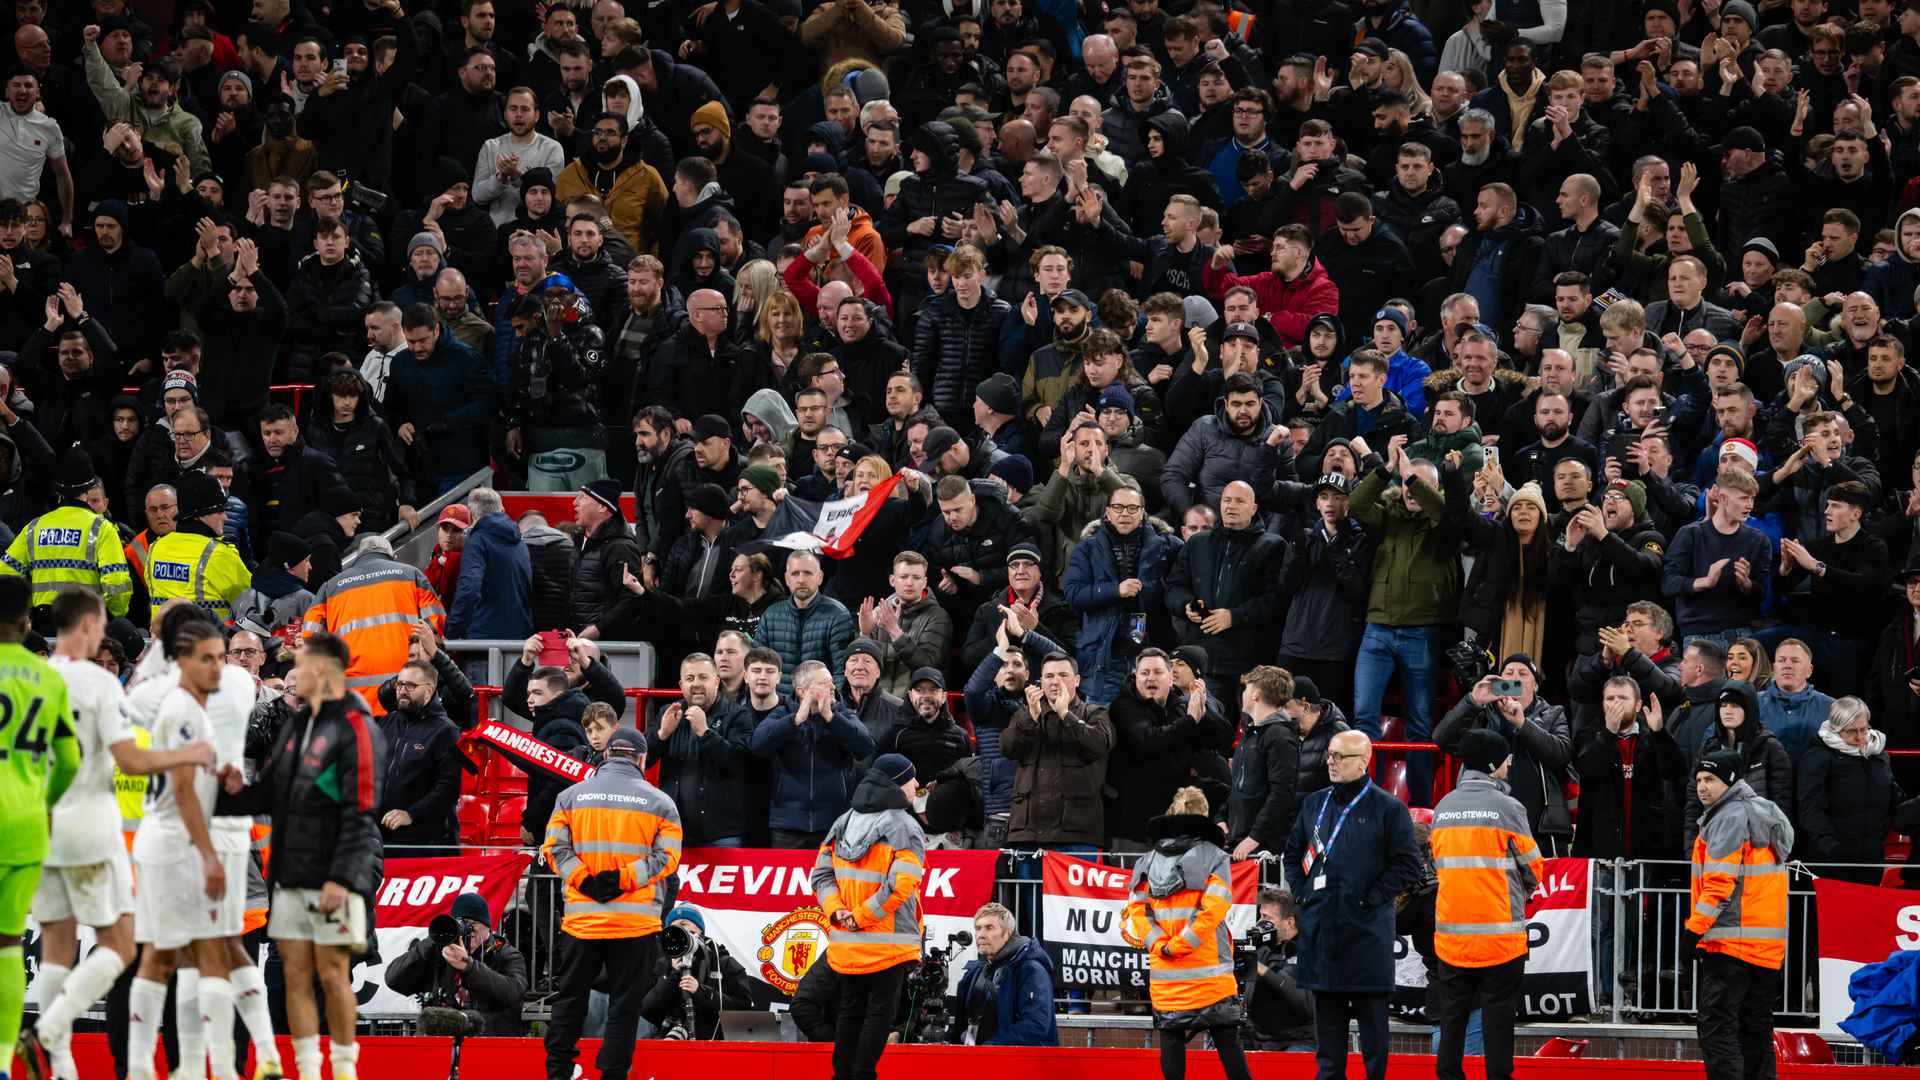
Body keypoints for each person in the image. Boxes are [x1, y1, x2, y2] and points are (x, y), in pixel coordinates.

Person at [27, 588, 211, 1080]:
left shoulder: (36, 678)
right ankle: (54, 1024)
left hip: (41, 825)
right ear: (89, 626)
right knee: (122, 946)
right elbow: (130, 758)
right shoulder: (99, 684)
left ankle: (59, 1064)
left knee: (56, 948)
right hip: (92, 825)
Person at [539, 726, 683, 1080]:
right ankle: (613, 1074)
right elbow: (668, 859)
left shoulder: (570, 797)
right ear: (642, 759)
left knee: (569, 1000)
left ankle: (557, 1071)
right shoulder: (660, 802)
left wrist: (585, 879)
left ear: (606, 756)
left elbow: (554, 849)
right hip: (634, 926)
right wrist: (621, 880)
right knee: (624, 1006)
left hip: (582, 922)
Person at [1283, 730, 1421, 1080]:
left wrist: (1369, 899)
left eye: (1340, 756)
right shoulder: (1314, 803)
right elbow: (1292, 853)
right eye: (1330, 754)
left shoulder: (1389, 809)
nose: (1331, 761)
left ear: (1364, 761)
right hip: (1321, 936)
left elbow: (1408, 866)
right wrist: (1302, 893)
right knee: (1328, 1049)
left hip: (1366, 936)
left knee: (1375, 1045)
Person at [1429, 728, 1542, 1080]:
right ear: (1494, 764)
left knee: (1452, 1022)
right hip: (1500, 941)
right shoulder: (1508, 807)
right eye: (1506, 760)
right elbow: (1533, 868)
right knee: (1498, 1025)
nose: (1509, 766)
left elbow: (1437, 864)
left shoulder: (1443, 807)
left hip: (1451, 941)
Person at [1121, 785, 1254, 1080]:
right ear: (1204, 816)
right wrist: (1183, 944)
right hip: (1211, 976)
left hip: (1166, 977)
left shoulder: (1146, 861)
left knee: (1171, 1050)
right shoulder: (1216, 857)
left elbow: (1137, 913)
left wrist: (1163, 946)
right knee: (1229, 1049)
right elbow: (1213, 911)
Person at [810, 752, 925, 1080]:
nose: (916, 785)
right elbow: (902, 885)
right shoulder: (905, 826)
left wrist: (837, 912)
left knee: (850, 1008)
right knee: (879, 1013)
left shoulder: (842, 821)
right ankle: (862, 1075)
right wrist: (860, 916)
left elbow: (821, 876)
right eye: (912, 779)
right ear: (899, 782)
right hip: (888, 942)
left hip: (847, 941)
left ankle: (841, 1075)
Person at [1688, 747, 1795, 1080]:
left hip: (1730, 944)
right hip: (1767, 949)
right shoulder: (1766, 811)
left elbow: (1720, 883)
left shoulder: (1727, 818)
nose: (1702, 787)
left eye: (1710, 780)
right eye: (1699, 780)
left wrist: (1694, 930)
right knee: (1756, 1032)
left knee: (1717, 1030)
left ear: (1731, 781)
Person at [0, 449, 132, 628]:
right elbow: (116, 583)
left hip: (44, 625)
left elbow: (5, 573)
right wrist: (114, 615)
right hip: (86, 625)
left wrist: (31, 607)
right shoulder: (101, 528)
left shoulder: (35, 527)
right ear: (88, 488)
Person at [384, 890, 530, 1036]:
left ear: (487, 927)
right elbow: (393, 980)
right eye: (461, 924)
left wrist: (469, 967)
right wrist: (433, 940)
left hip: (487, 1042)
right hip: (440, 1041)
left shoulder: (507, 954)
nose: (468, 930)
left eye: (473, 924)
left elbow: (513, 992)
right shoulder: (440, 953)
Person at [950, 901, 1059, 1046]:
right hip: (979, 1062)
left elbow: (1035, 1026)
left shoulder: (1031, 970)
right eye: (978, 928)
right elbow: (970, 1023)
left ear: (1007, 933)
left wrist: (991, 1047)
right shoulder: (975, 972)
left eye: (989, 928)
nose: (981, 935)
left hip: (1024, 1064)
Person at [638, 905, 754, 1038]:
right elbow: (646, 1009)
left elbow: (743, 1009)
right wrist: (673, 975)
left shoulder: (724, 963)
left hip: (713, 1043)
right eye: (673, 926)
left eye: (684, 924)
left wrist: (701, 991)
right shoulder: (663, 964)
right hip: (669, 1037)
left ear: (699, 930)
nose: (679, 929)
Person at [1246, 885, 1314, 1050]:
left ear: (1289, 922)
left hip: (1299, 1042)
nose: (1260, 923)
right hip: (1260, 1040)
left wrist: (1264, 971)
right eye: (1260, 916)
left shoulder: (1310, 951)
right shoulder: (1261, 950)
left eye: (1266, 918)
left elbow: (1307, 1004)